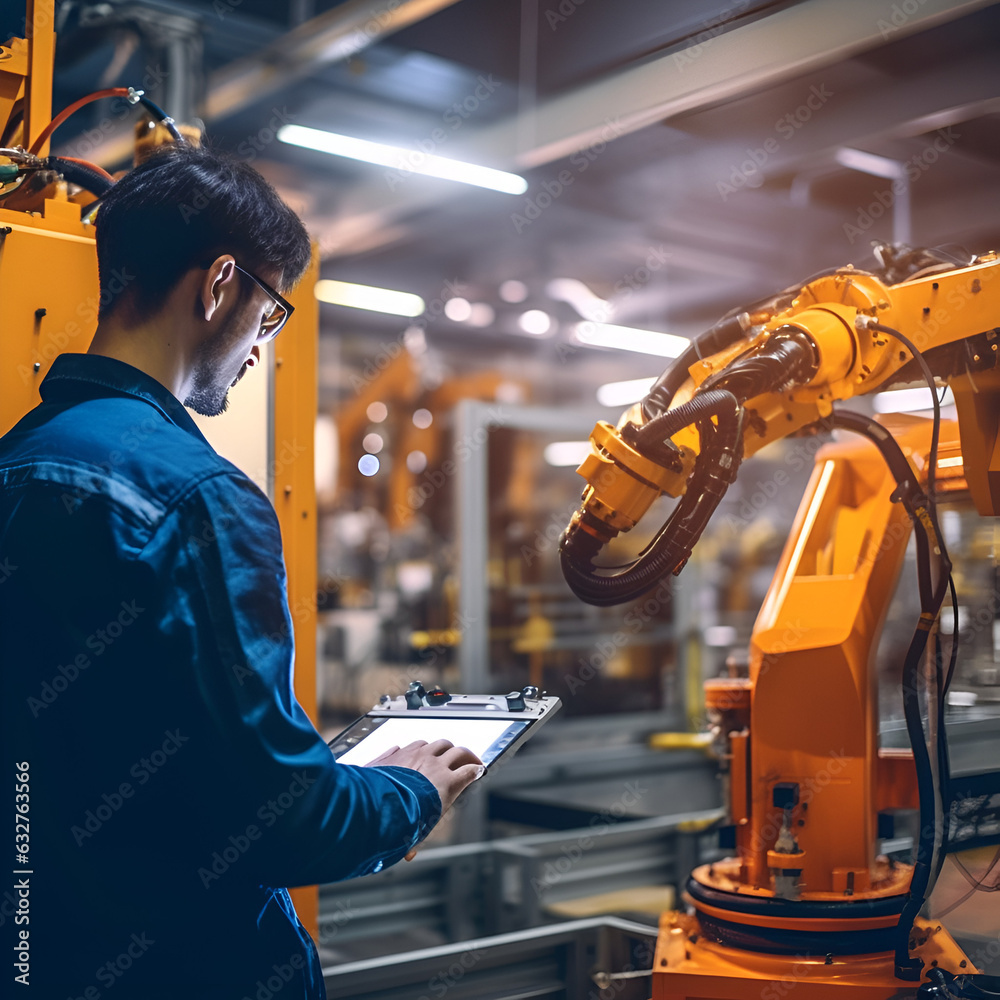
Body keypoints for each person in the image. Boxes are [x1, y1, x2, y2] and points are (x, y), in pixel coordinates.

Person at [0, 143, 481, 999]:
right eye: (270, 313)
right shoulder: (199, 498)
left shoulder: (15, 464)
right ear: (220, 283)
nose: (262, 346)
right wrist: (409, 789)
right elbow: (282, 818)